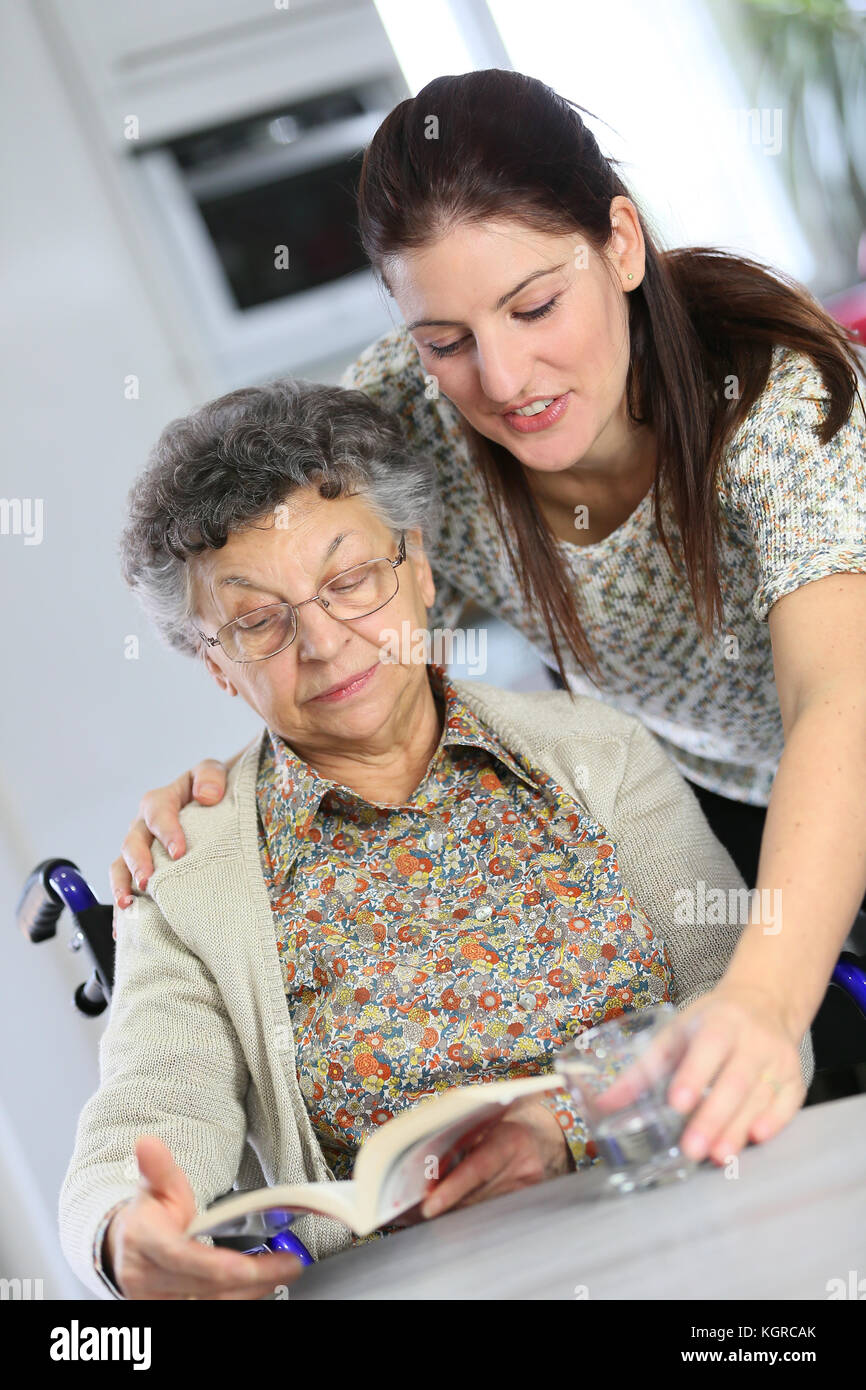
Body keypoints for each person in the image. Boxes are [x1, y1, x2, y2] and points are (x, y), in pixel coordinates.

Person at [111, 70, 866, 1176]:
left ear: (618, 241)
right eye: (443, 337)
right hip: (743, 791)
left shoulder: (771, 393)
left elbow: (837, 703)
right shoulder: (412, 424)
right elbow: (336, 610)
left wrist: (756, 997)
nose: (502, 379)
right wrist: (223, 796)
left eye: (532, 307)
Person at [60, 380, 806, 1301]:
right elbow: (146, 1118)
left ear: (416, 567)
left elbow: (751, 1011)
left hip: (701, 1235)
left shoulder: (600, 753)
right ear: (216, 665)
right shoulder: (189, 874)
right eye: (258, 621)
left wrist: (570, 1123)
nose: (327, 642)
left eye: (349, 581)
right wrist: (122, 1236)